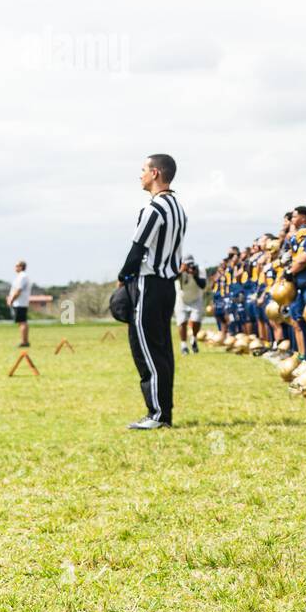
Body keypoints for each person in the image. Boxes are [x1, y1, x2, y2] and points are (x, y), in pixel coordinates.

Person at [117, 154, 187, 430]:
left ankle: (157, 414)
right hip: (167, 285)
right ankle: (162, 411)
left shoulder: (154, 208)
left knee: (145, 348)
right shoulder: (178, 207)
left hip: (148, 283)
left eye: (143, 170)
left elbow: (137, 249)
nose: (140, 175)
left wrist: (123, 278)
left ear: (156, 173)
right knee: (161, 349)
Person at [175, 256, 206, 354]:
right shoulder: (179, 270)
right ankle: (183, 345)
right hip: (182, 299)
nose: (190, 267)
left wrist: (195, 275)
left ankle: (194, 339)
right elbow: (173, 278)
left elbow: (202, 285)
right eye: (188, 265)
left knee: (196, 321)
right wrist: (181, 271)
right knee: (182, 322)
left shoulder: (200, 270)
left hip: (196, 299)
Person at [6, 260, 31, 347]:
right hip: (19, 302)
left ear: (21, 267)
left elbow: (18, 290)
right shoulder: (20, 276)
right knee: (21, 322)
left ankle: (24, 342)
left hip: (20, 303)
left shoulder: (22, 277)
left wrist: (12, 299)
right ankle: (25, 341)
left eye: (17, 266)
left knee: (22, 322)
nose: (15, 267)